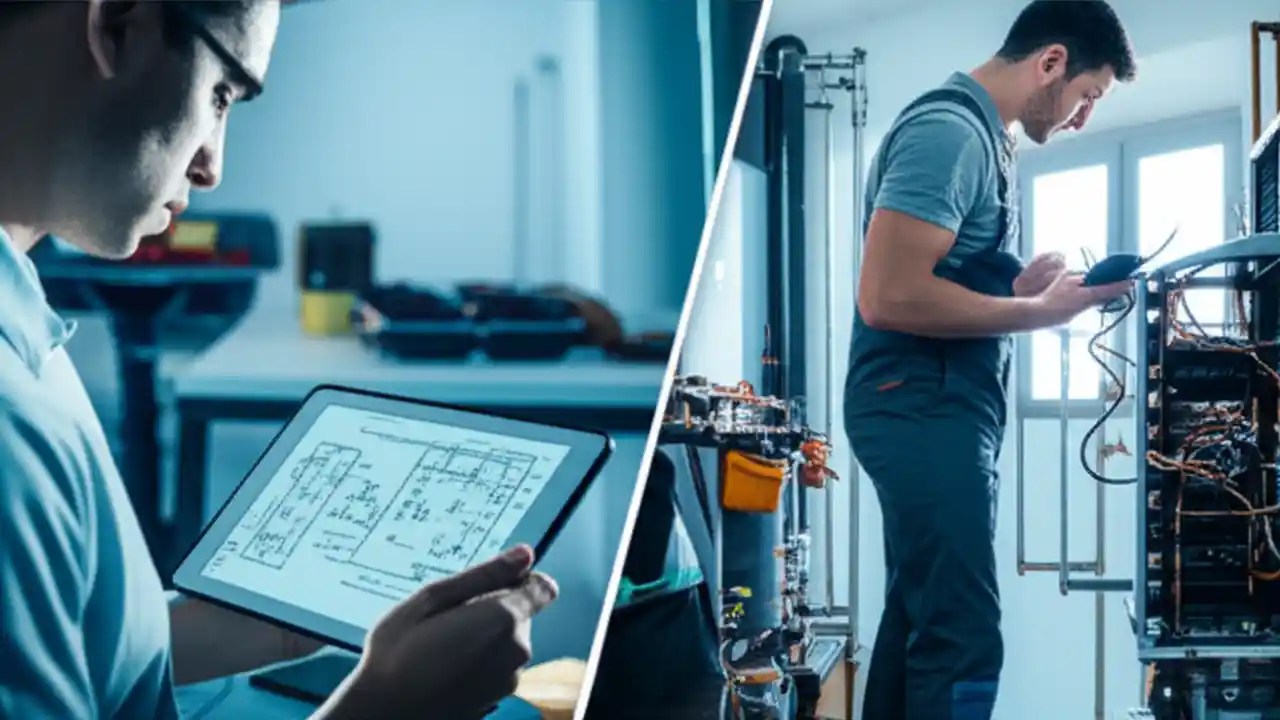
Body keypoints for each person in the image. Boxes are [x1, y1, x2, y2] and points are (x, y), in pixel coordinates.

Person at [0, 2, 556, 718]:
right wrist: (386, 705)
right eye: (221, 94)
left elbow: (72, 637)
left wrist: (267, 626)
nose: (212, 167)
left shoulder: (25, 327)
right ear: (119, 25)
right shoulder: (10, 428)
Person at [843, 2, 1137, 717]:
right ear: (1051, 63)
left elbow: (941, 278)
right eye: (1087, 96)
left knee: (920, 618)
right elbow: (886, 296)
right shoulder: (948, 134)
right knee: (963, 633)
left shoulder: (989, 142)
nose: (1082, 120)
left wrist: (1014, 287)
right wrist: (1040, 313)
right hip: (919, 401)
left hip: (940, 403)